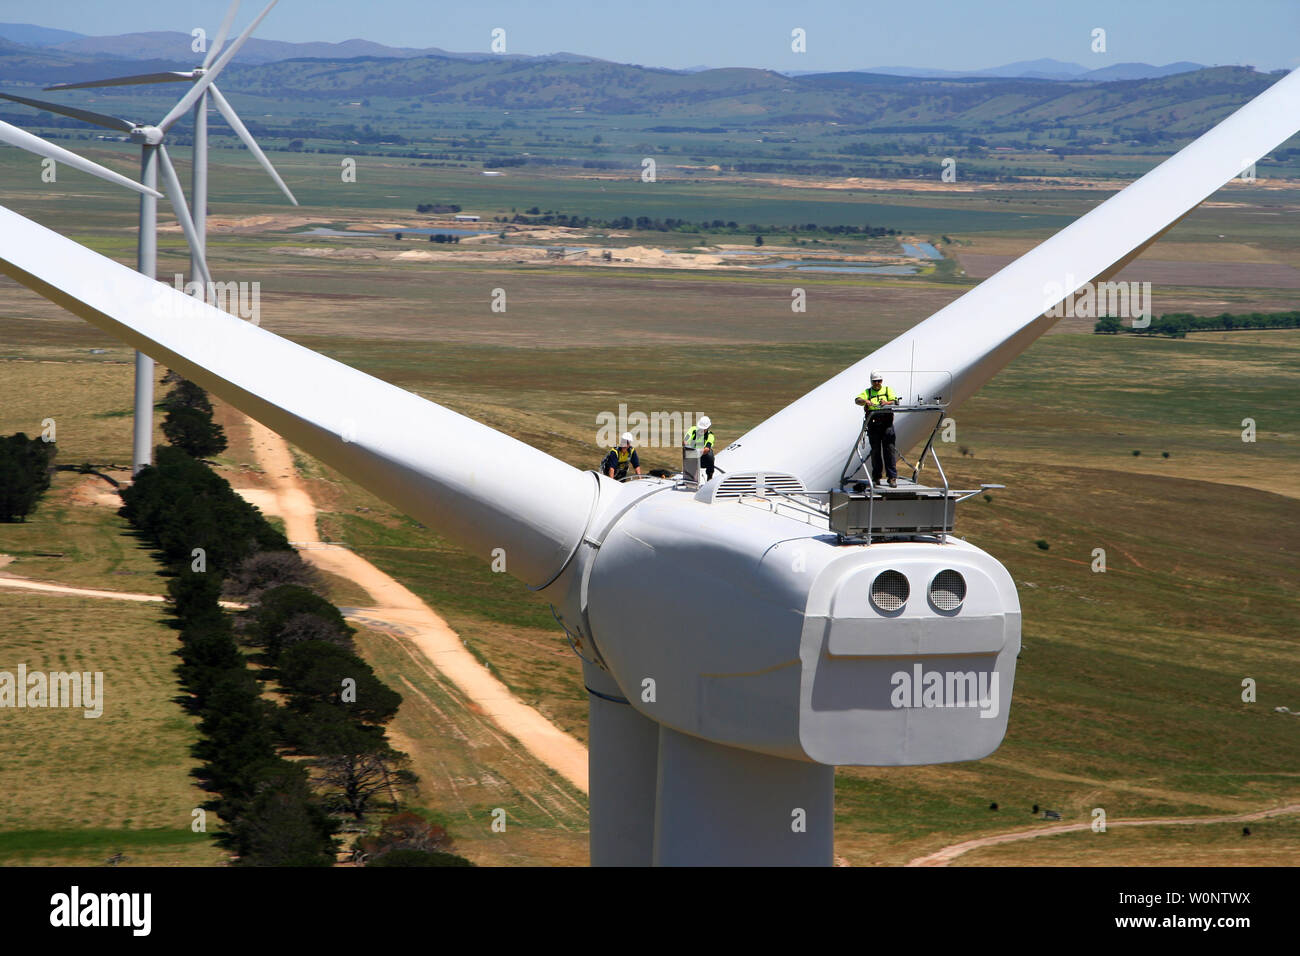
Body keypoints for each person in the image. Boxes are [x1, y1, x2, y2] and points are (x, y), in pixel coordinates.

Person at [854, 370, 900, 486]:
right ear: (871, 382)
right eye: (875, 381)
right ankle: (876, 477)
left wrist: (886, 403)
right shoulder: (867, 392)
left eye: (879, 381)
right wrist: (866, 401)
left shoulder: (887, 390)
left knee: (889, 450)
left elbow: (895, 401)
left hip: (887, 424)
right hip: (873, 424)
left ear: (882, 381)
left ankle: (892, 477)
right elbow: (857, 400)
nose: (877, 383)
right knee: (875, 451)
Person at [683, 415, 717, 481]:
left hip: (702, 458)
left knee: (710, 455)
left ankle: (709, 477)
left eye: (703, 429)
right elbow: (685, 441)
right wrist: (689, 447)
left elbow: (707, 449)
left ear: (707, 428)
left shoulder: (710, 436)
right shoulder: (692, 429)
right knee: (686, 451)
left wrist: (697, 453)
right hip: (691, 456)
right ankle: (689, 476)